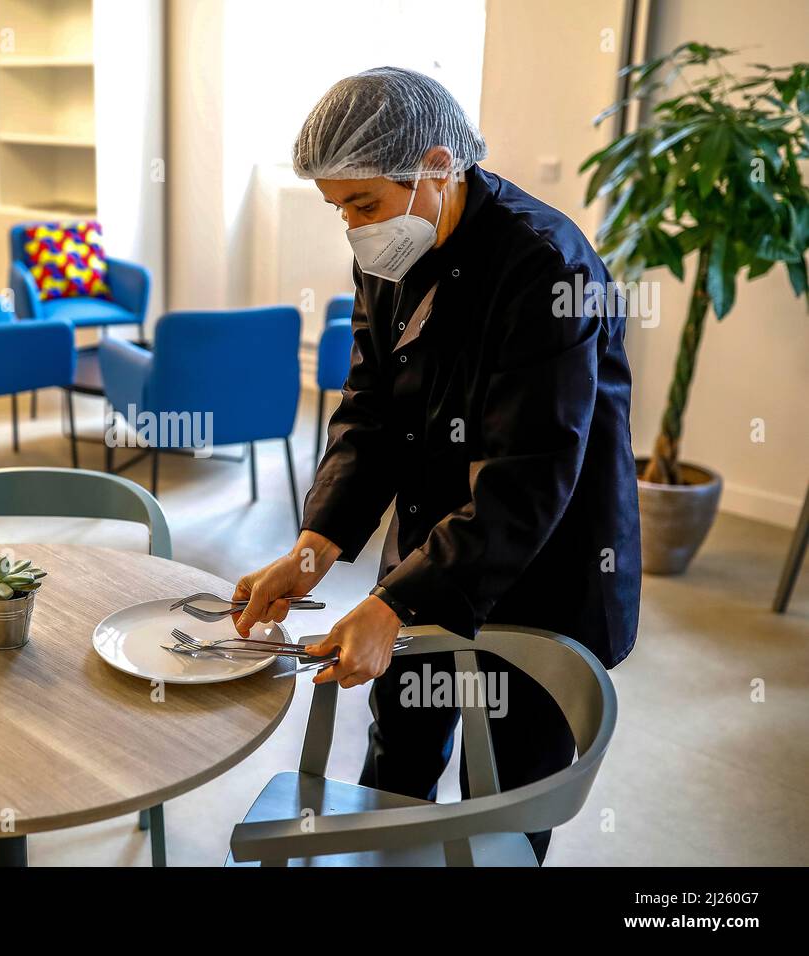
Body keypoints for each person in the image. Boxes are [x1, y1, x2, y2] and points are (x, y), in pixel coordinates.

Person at [231, 67, 641, 863]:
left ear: (437, 164)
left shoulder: (546, 266)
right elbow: (369, 414)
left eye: (363, 204)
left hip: (545, 566)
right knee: (397, 765)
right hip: (431, 551)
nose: (352, 228)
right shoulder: (390, 250)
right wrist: (314, 546)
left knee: (504, 808)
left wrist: (395, 600)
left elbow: (529, 472)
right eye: (338, 209)